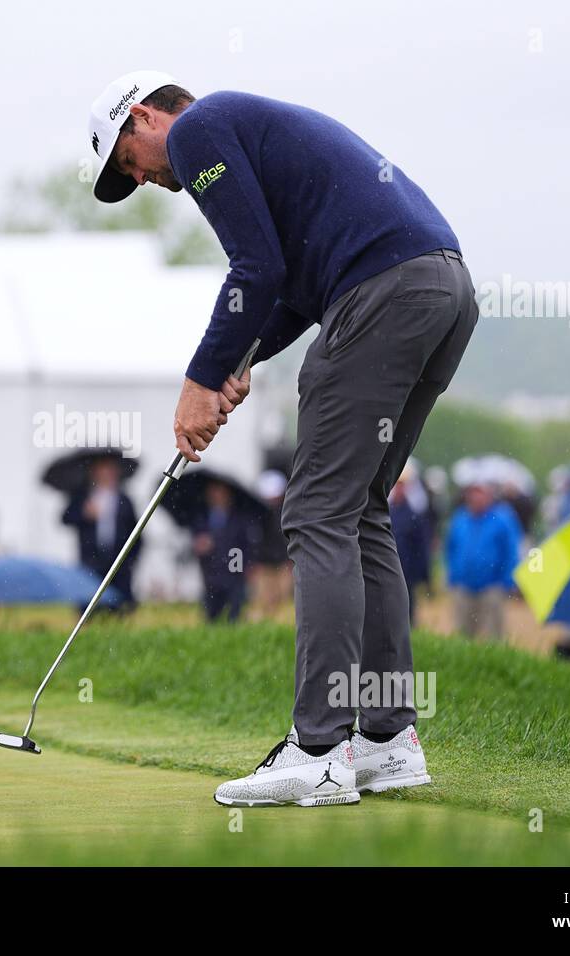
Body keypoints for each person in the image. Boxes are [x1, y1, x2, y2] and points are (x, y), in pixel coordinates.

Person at [86, 71, 476, 805]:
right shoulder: (251, 137)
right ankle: (388, 741)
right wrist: (239, 359)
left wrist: (201, 378)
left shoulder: (201, 129)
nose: (142, 180)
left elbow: (253, 267)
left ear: (142, 115)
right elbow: (289, 286)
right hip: (442, 289)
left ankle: (321, 749)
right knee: (358, 509)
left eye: (128, 161)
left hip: (384, 290)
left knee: (316, 512)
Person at [61, 456, 142, 612]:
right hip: (90, 562)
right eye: (102, 469)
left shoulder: (125, 500)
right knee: (90, 605)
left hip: (119, 563)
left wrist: (131, 559)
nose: (106, 474)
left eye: (110, 469)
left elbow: (137, 533)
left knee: (119, 606)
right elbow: (65, 518)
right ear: (93, 473)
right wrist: (83, 513)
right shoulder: (83, 497)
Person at [444, 484, 523, 640]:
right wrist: (452, 576)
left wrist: (507, 581)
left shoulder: (502, 519)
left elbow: (511, 552)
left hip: (492, 586)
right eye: (473, 493)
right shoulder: (460, 519)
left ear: (489, 496)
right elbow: (450, 548)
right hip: (463, 585)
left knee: (493, 635)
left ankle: (492, 663)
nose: (476, 498)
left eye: (480, 493)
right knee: (463, 635)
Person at [191, 479, 257, 623]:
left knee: (234, 613)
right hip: (210, 573)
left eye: (219, 492)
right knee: (211, 614)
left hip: (233, 572)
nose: (216, 495)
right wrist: (199, 545)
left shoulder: (239, 518)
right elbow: (194, 543)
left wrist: (240, 568)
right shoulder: (201, 518)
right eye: (213, 492)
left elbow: (245, 546)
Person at [389, 462, 434, 625]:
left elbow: (421, 547)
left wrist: (424, 575)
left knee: (407, 612)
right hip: (388, 569)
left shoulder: (414, 515)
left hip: (407, 571)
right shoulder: (386, 512)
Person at [248, 470, 292, 622]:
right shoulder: (257, 515)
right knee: (264, 600)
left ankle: (274, 627)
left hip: (283, 562)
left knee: (281, 599)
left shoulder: (285, 513)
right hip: (264, 563)